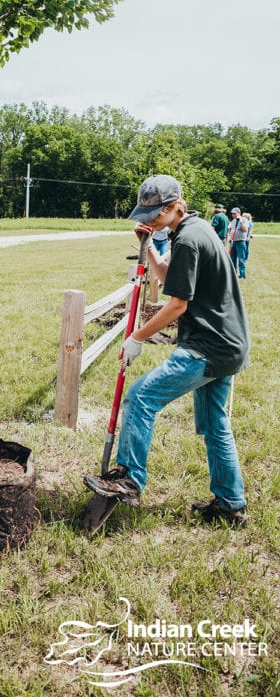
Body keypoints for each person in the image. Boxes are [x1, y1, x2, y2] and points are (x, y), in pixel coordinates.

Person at [84, 174, 250, 529]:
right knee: (216, 425)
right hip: (228, 344)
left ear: (177, 206)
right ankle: (231, 504)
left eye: (156, 214)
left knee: (141, 397)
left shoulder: (189, 239)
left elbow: (178, 305)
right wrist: (154, 246)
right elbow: (166, 276)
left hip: (209, 346)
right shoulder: (192, 230)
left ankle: (129, 479)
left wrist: (138, 338)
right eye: (147, 214)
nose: (150, 219)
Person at [228, 206, 249, 278]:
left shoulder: (244, 220)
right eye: (232, 213)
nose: (233, 215)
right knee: (232, 258)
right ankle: (233, 274)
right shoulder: (233, 221)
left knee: (241, 259)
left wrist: (240, 221)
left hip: (240, 242)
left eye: (234, 213)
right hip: (233, 242)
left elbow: (245, 229)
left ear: (239, 213)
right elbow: (231, 230)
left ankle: (242, 275)